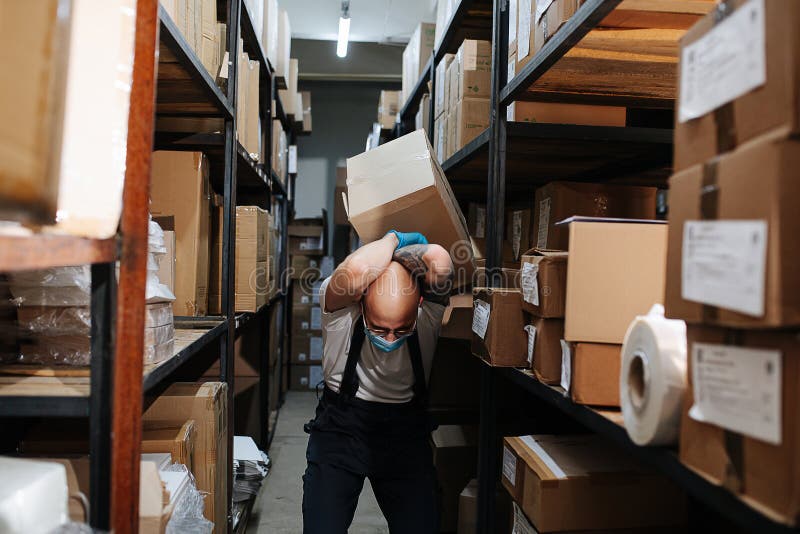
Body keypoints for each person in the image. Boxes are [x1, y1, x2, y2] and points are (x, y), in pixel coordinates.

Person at [302, 230, 454, 534]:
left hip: (405, 435)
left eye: (401, 330)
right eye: (379, 328)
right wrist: (394, 239)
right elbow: (357, 271)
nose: (389, 339)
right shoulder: (338, 309)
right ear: (360, 304)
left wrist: (397, 260)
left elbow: (439, 260)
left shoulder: (428, 316)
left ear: (420, 305)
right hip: (340, 431)